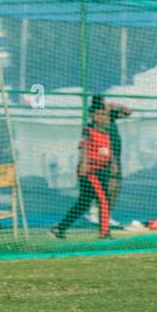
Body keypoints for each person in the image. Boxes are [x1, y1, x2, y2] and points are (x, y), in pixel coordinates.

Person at [50, 96, 125, 239]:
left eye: (104, 114)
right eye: (99, 114)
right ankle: (104, 233)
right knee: (104, 200)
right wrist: (84, 164)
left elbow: (107, 150)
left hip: (103, 171)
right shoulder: (89, 130)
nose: (103, 117)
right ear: (92, 116)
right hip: (91, 172)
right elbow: (84, 147)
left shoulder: (106, 132)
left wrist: (113, 163)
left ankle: (60, 228)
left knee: (83, 204)